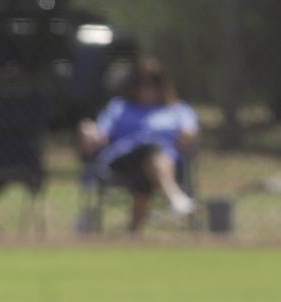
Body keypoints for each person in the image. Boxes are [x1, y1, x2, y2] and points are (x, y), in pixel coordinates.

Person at [78, 57, 198, 233]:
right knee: (149, 148)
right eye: (140, 83)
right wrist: (88, 131)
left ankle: (133, 233)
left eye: (152, 83)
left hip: (164, 166)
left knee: (151, 162)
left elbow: (190, 132)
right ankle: (175, 198)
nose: (146, 88)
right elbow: (99, 135)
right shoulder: (119, 107)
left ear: (163, 85)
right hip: (122, 163)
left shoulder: (178, 110)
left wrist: (188, 136)